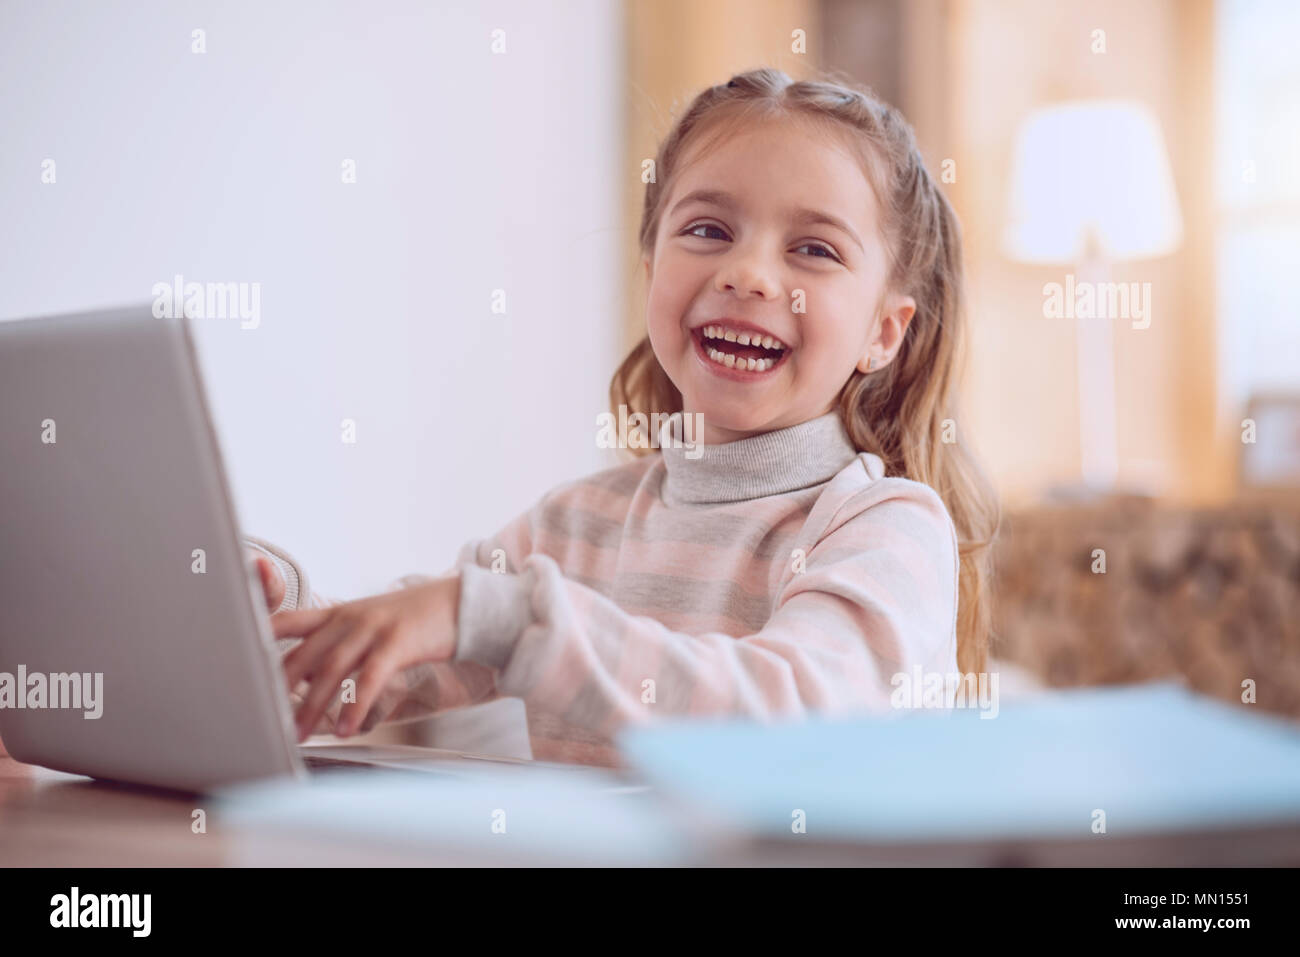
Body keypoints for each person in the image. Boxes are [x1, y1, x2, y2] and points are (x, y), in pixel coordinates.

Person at [248, 67, 1001, 768]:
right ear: (652, 271)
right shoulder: (576, 524)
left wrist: (509, 621)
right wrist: (280, 609)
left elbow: (795, 722)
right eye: (708, 230)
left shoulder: (887, 526)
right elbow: (394, 664)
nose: (747, 273)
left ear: (884, 330)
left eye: (813, 248)